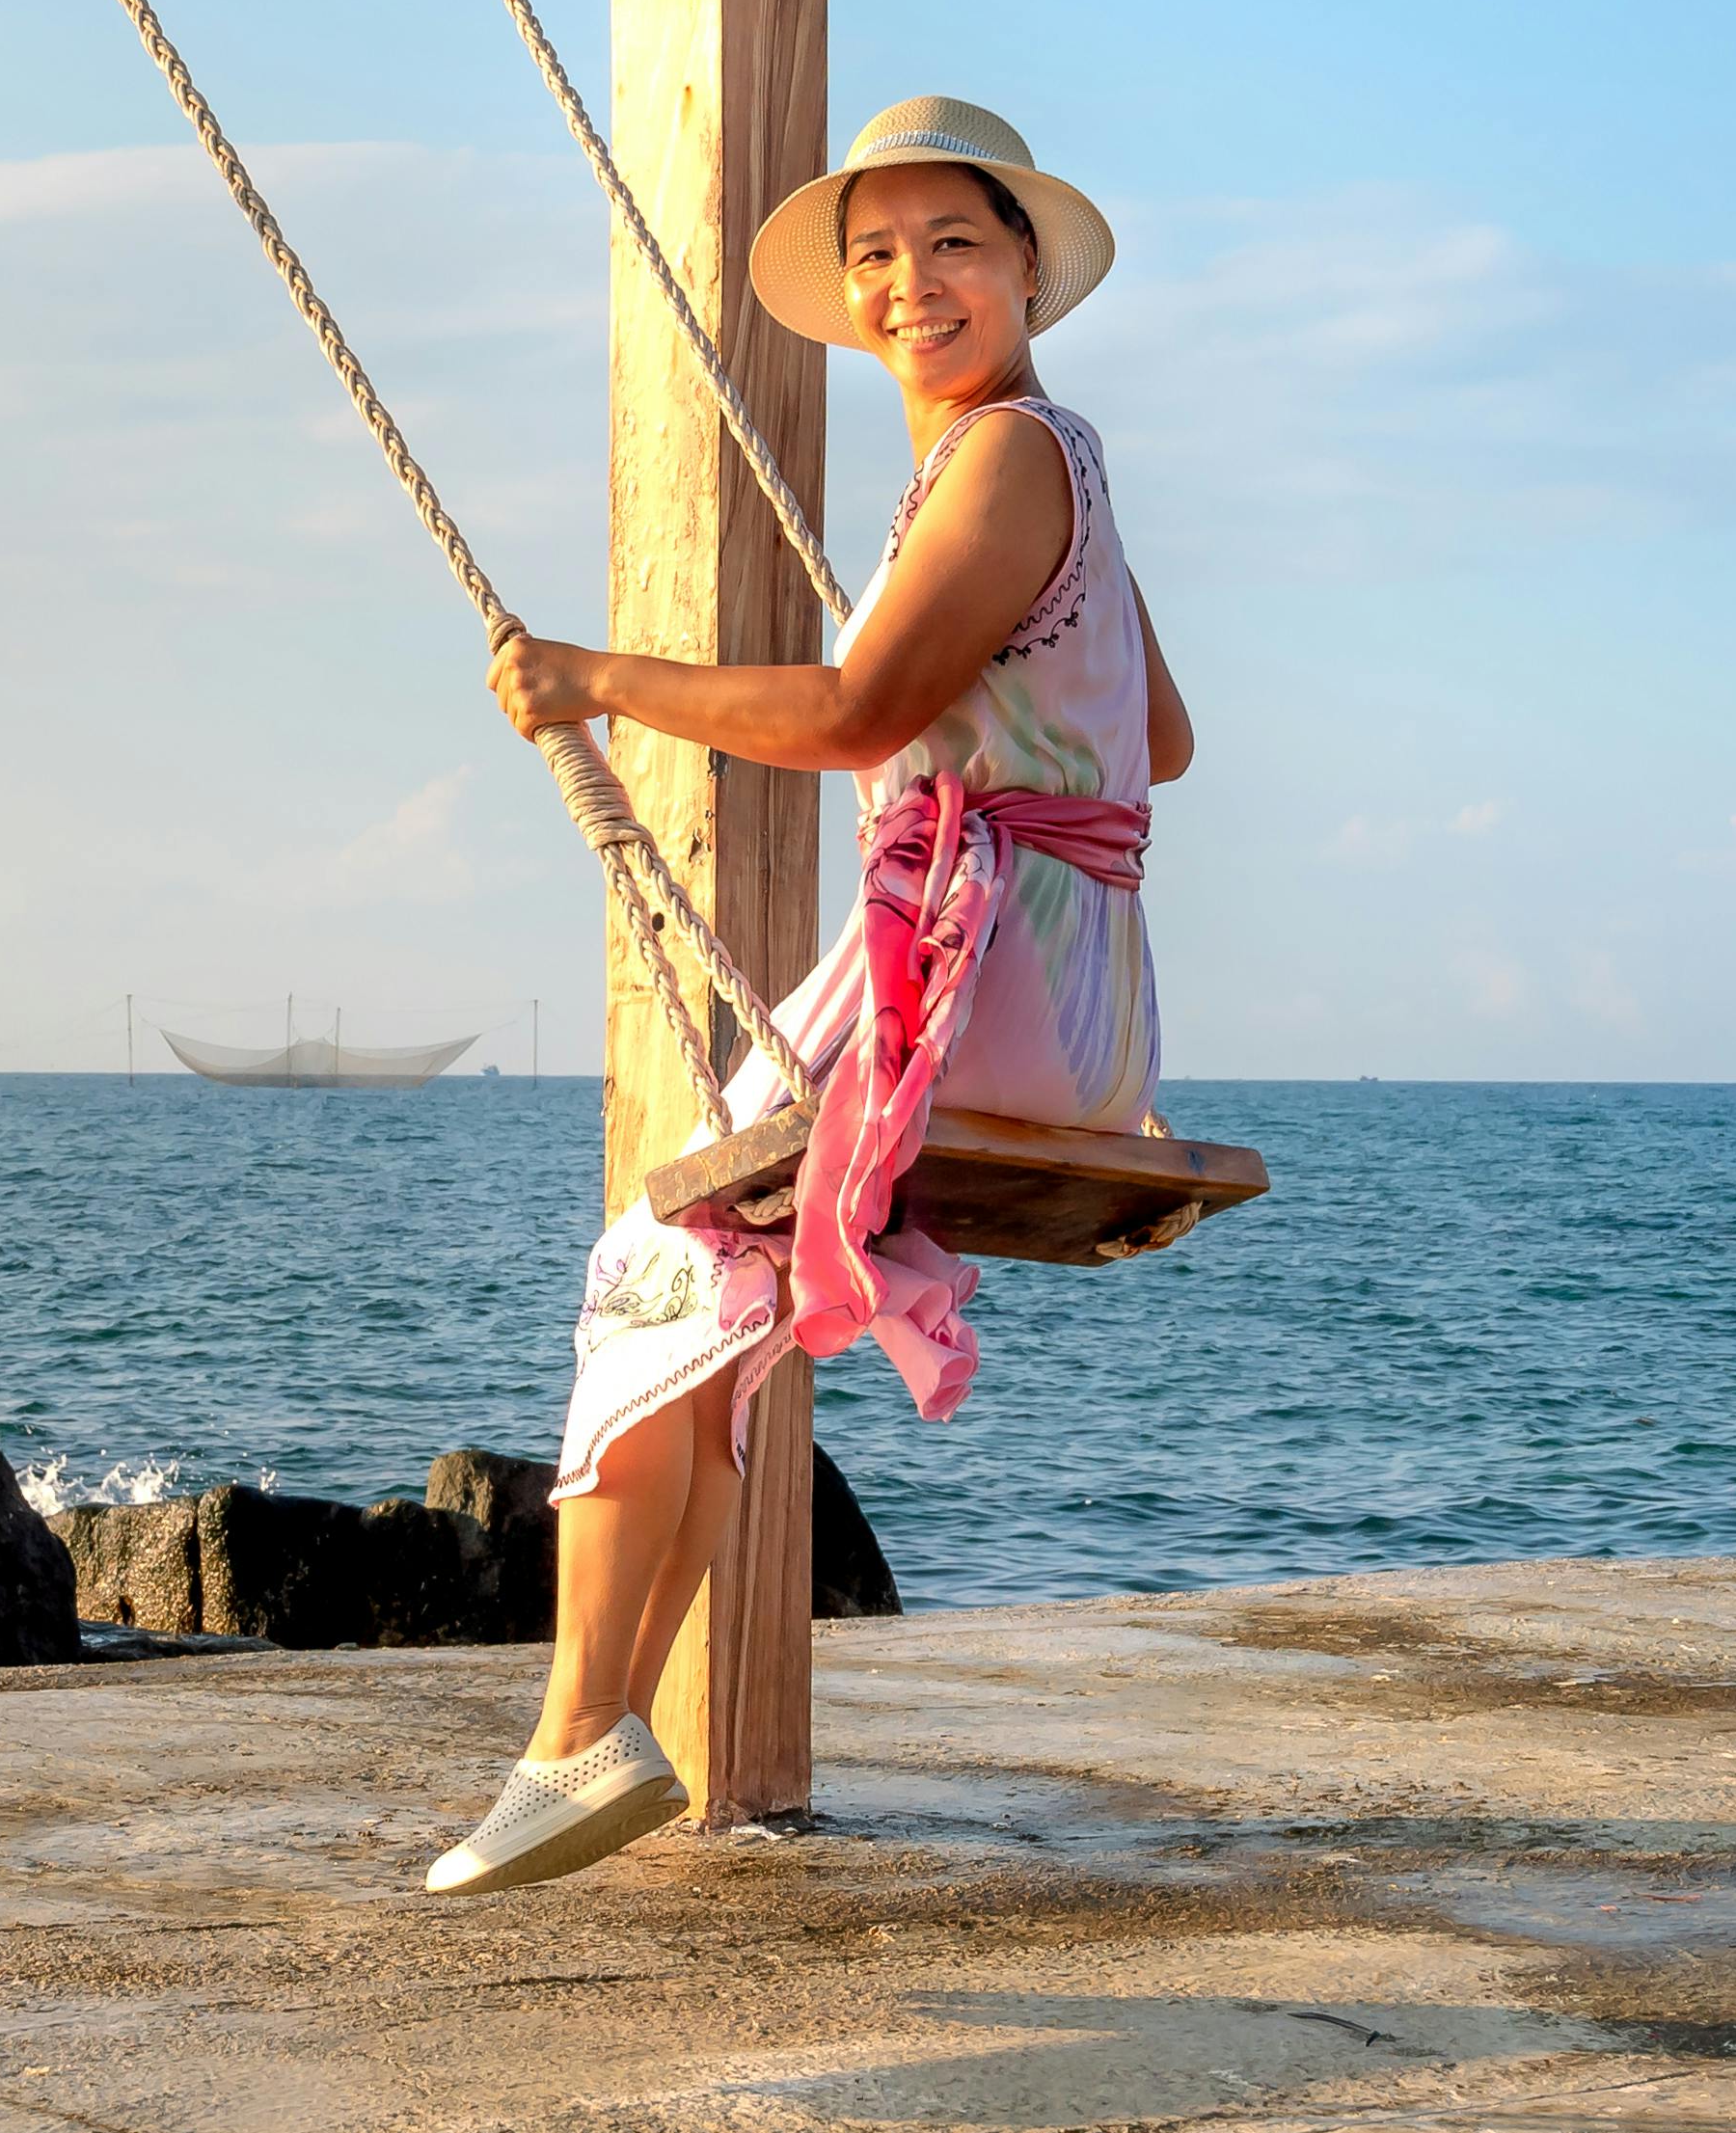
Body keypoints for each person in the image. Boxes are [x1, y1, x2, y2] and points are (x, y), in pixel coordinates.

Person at [422, 95, 1188, 1895]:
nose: (909, 282)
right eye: (874, 254)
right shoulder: (1038, 470)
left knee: (651, 1257)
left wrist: (595, 679)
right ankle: (593, 1729)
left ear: (1024, 276)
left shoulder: (1005, 458)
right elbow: (1159, 733)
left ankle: (575, 1735)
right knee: (712, 1288)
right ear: (847, 299)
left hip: (979, 964)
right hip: (1078, 989)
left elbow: (850, 723)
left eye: (952, 244)